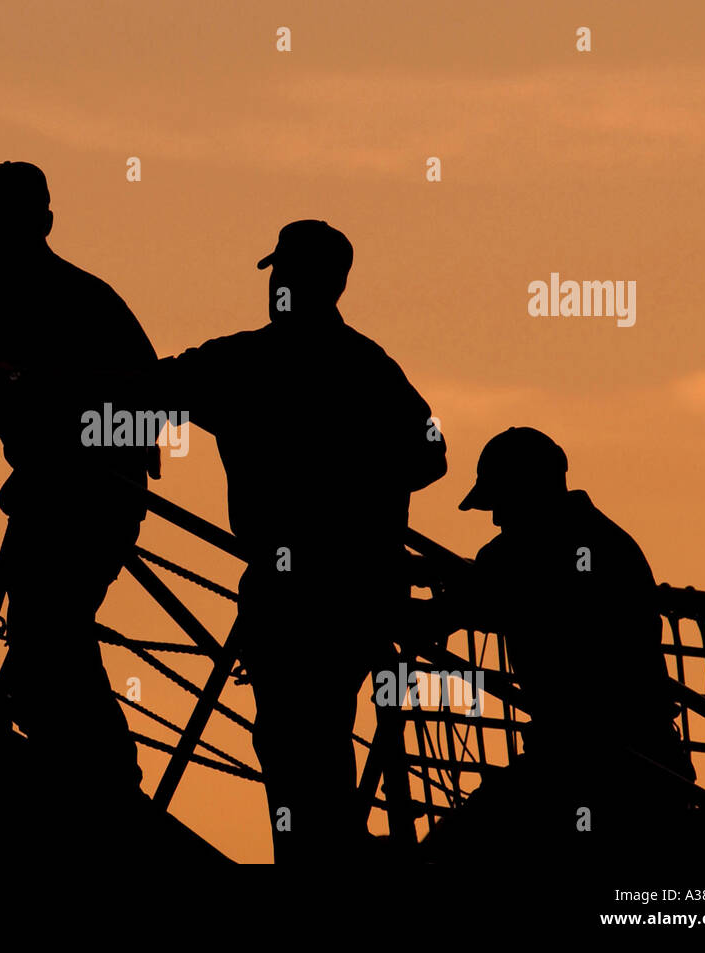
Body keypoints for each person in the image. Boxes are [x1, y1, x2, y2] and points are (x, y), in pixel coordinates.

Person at [145, 220, 447, 862]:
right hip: (362, 587)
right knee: (320, 730)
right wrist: (363, 482)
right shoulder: (367, 366)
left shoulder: (246, 362)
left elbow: (149, 387)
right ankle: (329, 856)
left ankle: (317, 867)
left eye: (285, 273)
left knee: (290, 735)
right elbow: (430, 456)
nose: (278, 284)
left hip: (296, 588)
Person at [0, 162, 158, 816]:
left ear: (43, 225)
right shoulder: (69, 298)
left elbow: (144, 405)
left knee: (47, 628)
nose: (1, 242)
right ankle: (85, 765)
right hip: (64, 493)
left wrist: (37, 392)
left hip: (88, 493)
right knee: (44, 632)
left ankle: (107, 777)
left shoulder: (81, 302)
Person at [426, 427, 694, 856]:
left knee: (452, 853)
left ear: (528, 490)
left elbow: (448, 614)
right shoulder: (612, 540)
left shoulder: (522, 553)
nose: (496, 520)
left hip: (577, 765)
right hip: (654, 763)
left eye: (501, 504)